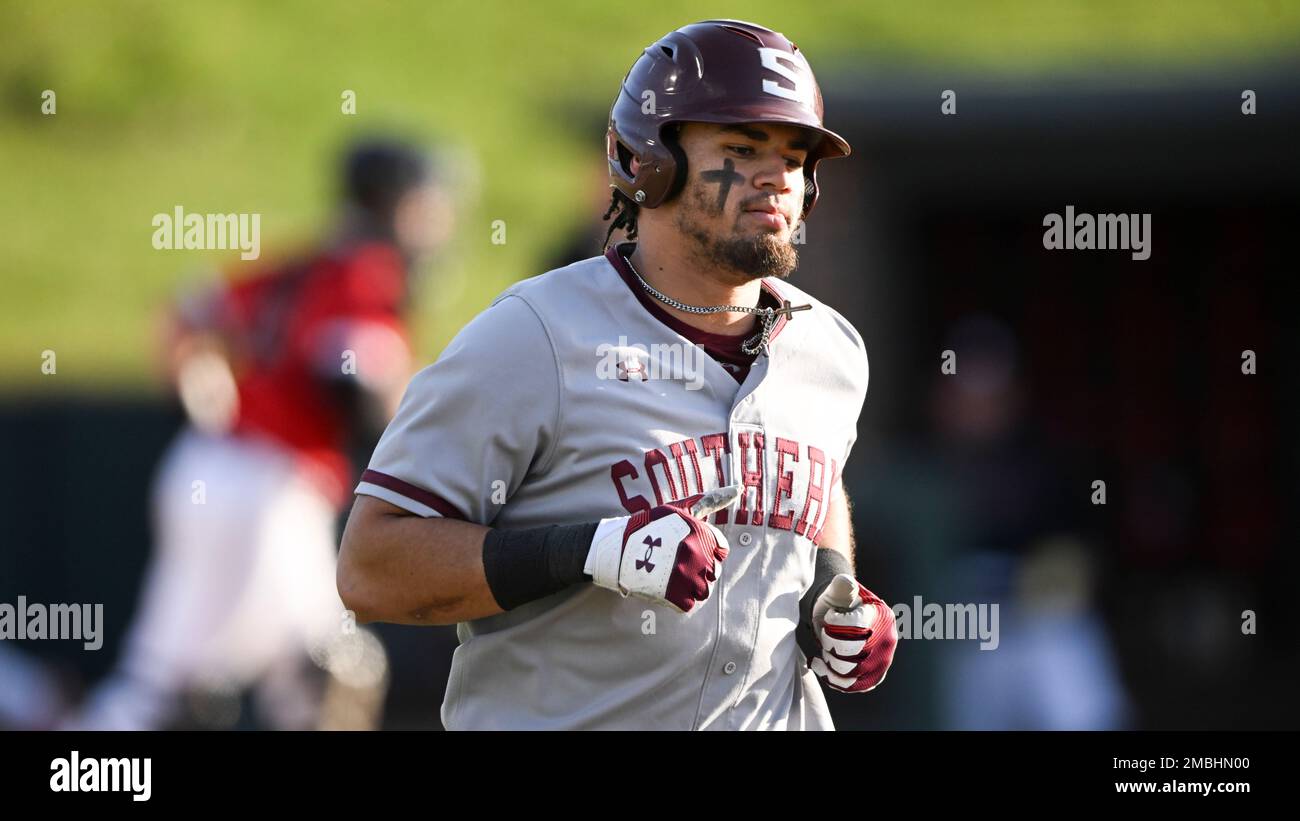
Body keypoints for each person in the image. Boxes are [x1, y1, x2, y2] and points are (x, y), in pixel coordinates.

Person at [338, 20, 897, 730]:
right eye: (741, 147)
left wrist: (833, 588)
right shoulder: (536, 334)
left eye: (794, 156)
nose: (775, 177)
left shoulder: (831, 348)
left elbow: (814, 488)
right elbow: (371, 568)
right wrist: (592, 549)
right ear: (647, 160)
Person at [67, 139, 453, 730]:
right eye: (429, 205)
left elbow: (184, 313)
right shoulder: (366, 271)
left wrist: (201, 386)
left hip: (203, 466)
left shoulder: (297, 262)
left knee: (158, 683)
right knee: (329, 671)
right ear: (396, 205)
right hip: (270, 488)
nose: (439, 223)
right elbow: (360, 378)